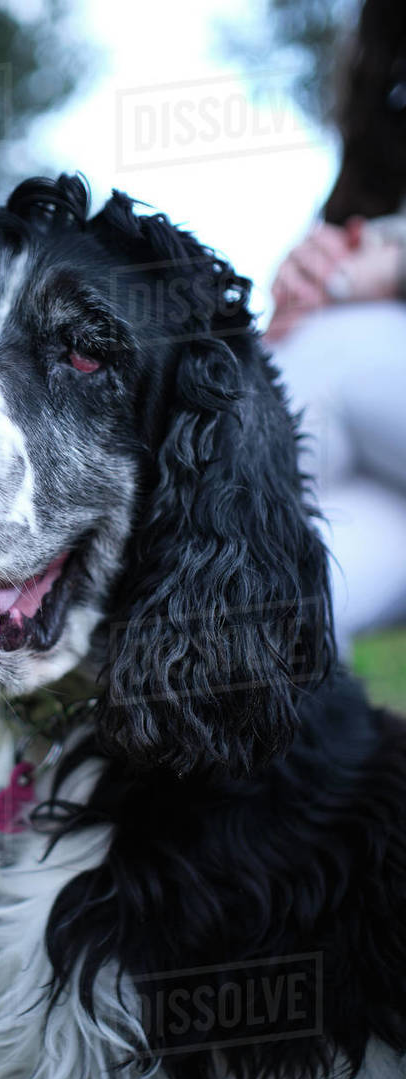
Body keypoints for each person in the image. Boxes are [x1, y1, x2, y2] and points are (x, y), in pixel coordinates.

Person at [264, 0, 406, 655]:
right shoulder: (382, 142)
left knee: (323, 357)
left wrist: (390, 268)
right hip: (382, 477)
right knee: (288, 586)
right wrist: (307, 281)